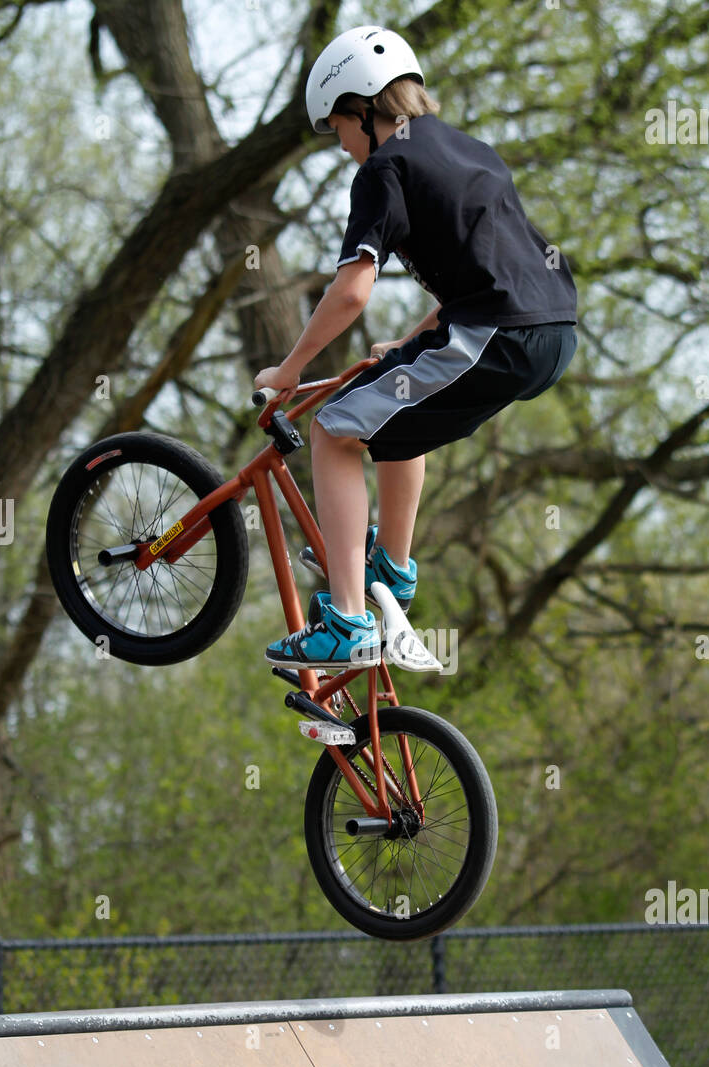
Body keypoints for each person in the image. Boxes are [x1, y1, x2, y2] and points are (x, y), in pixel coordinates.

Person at [255, 25, 577, 669]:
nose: (342, 147)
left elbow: (351, 292)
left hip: (498, 335)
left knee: (333, 429)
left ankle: (347, 620)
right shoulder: (471, 150)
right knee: (398, 399)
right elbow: (494, 265)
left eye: (338, 128)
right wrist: (416, 337)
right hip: (553, 331)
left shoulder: (384, 168)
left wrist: (289, 369)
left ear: (363, 107)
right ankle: (391, 572)